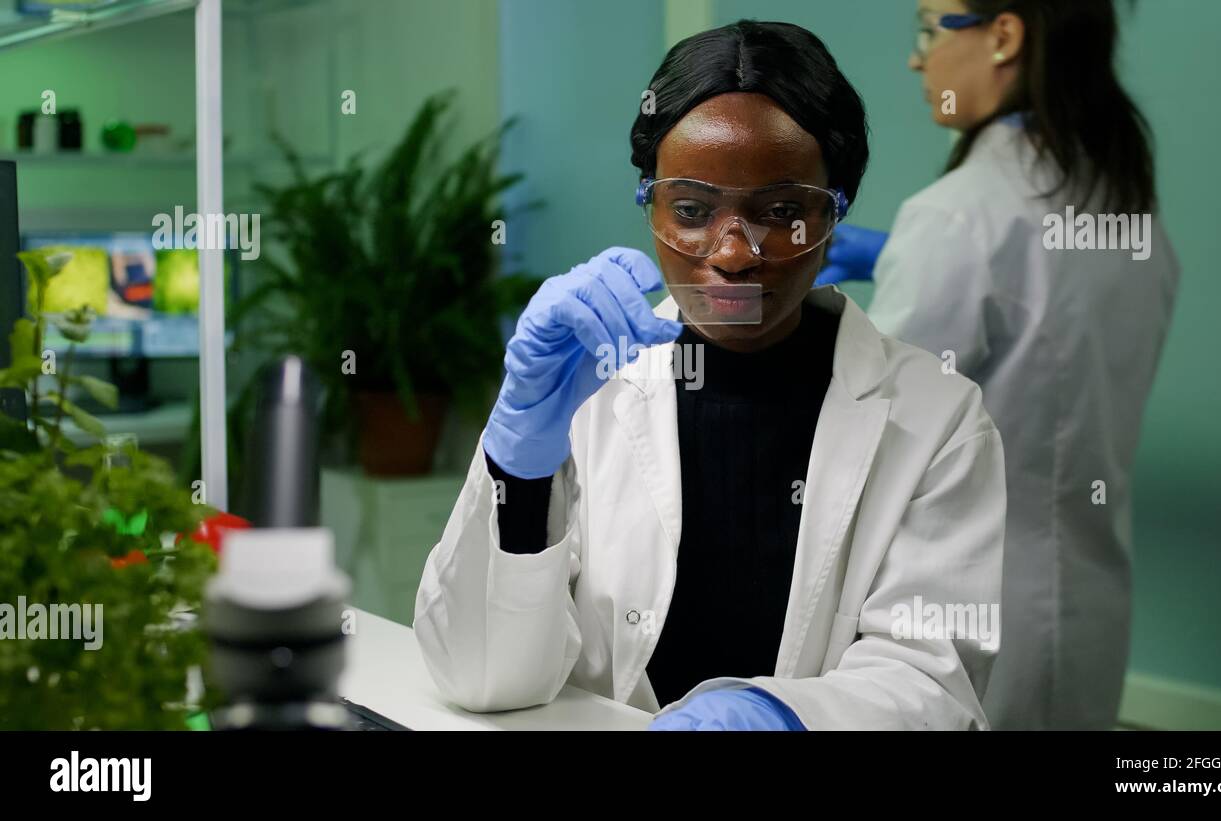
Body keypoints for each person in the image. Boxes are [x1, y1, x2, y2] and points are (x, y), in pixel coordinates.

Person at [414, 20, 1006, 730]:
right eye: (692, 210)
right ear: (650, 204)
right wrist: (518, 467)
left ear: (833, 213)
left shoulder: (937, 419)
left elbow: (930, 681)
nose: (731, 252)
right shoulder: (584, 385)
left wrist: (776, 717)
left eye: (781, 211)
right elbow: (479, 678)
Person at [818, 0, 1180, 729]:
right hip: (1085, 602)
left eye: (928, 27)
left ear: (1005, 35)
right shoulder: (1128, 208)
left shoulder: (958, 215)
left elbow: (866, 429)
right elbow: (1048, 322)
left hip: (967, 608)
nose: (917, 59)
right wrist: (906, 257)